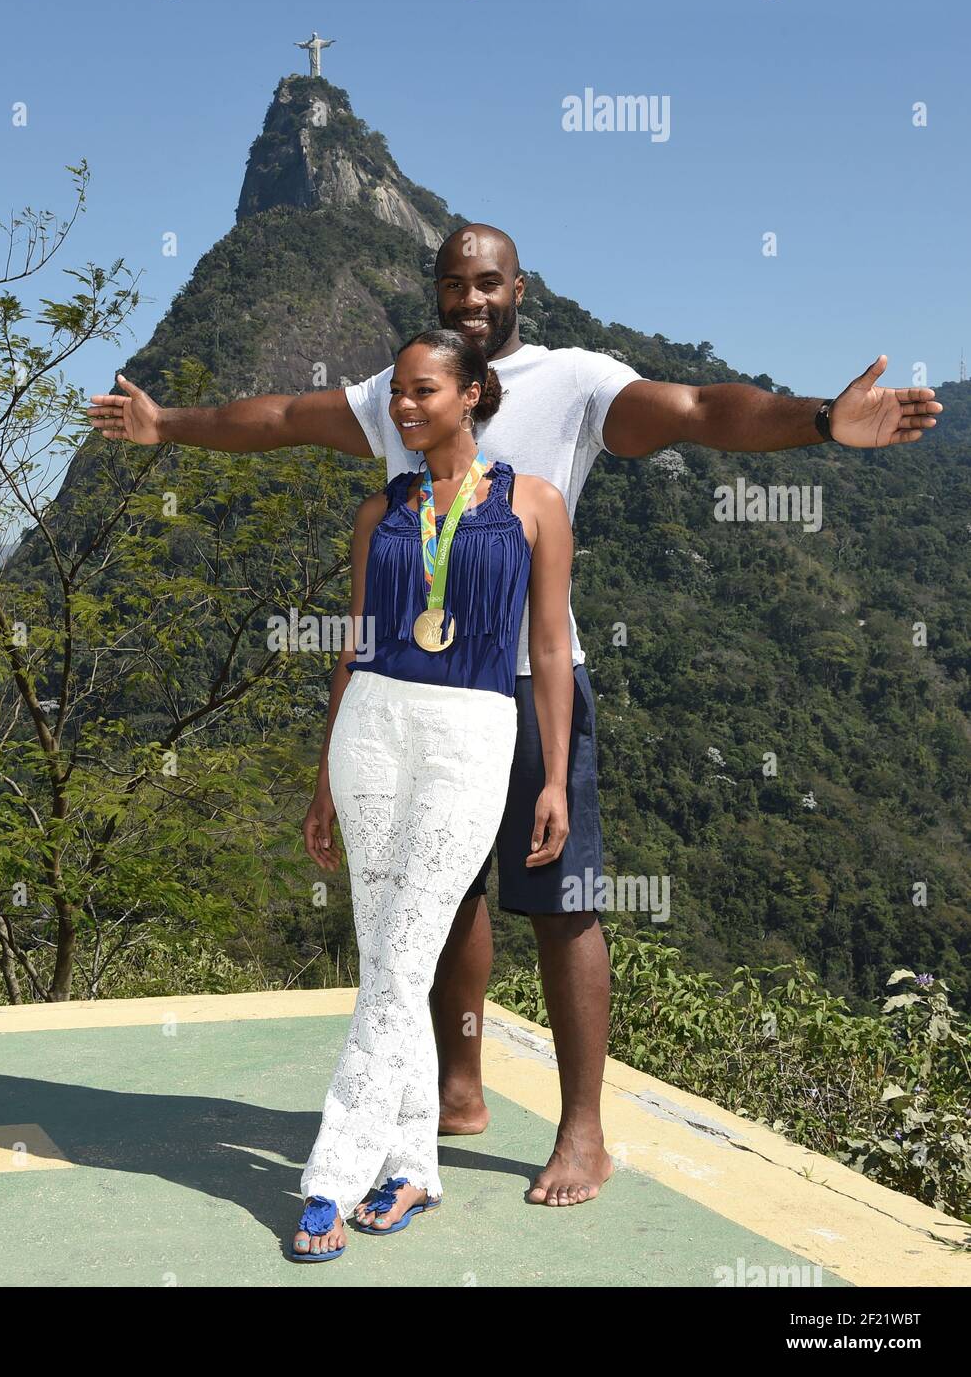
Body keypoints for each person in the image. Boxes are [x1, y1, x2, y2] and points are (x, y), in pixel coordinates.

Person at [88, 223, 942, 1212]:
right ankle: (457, 1088)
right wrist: (169, 425)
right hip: (418, 697)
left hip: (535, 678)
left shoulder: (573, 377)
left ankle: (583, 1130)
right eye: (454, 285)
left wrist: (817, 424)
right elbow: (280, 414)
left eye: (487, 283)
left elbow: (703, 408)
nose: (470, 301)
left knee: (561, 896)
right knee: (444, 893)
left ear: (518, 287)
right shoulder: (412, 386)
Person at [287, 327, 573, 1260]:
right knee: (390, 959)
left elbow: (545, 652)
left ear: (472, 394)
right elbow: (356, 646)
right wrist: (325, 776)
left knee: (405, 958)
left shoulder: (535, 504)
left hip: (474, 734)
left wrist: (555, 777)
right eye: (397, 395)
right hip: (373, 728)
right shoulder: (382, 512)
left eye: (423, 392)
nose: (403, 409)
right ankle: (411, 1167)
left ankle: (330, 1175)